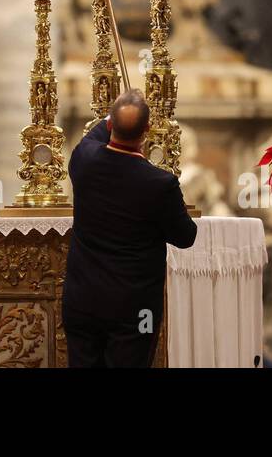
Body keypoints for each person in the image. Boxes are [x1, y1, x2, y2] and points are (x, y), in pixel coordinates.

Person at [62, 88, 198, 367]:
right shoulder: (160, 183)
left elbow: (96, 135)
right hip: (135, 309)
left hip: (83, 299)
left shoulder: (83, 160)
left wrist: (121, 105)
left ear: (110, 123)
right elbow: (186, 237)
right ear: (148, 129)